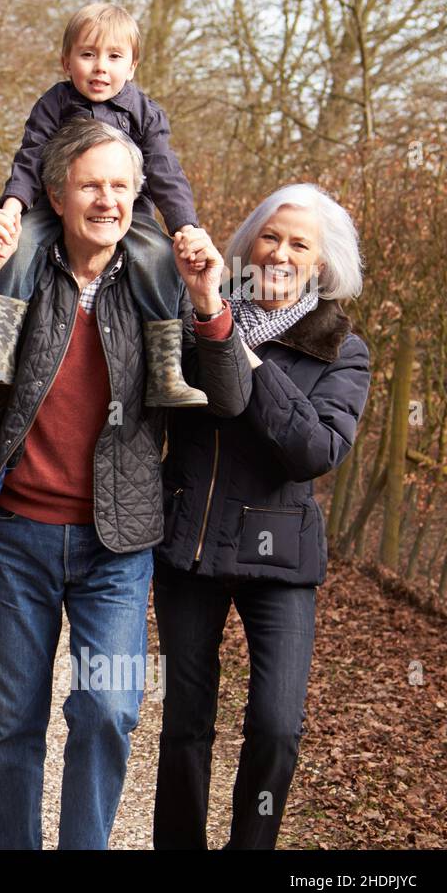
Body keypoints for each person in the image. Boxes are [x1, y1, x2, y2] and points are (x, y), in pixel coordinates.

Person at [0, 118, 252, 849]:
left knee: (108, 709)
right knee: (11, 726)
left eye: (122, 187)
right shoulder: (17, 267)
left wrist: (210, 301)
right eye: (91, 185)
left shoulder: (160, 281)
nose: (108, 201)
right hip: (18, 537)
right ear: (58, 194)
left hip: (117, 545)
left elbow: (228, 399)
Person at [151, 183, 371, 849]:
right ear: (247, 248)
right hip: (190, 542)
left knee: (277, 725)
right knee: (186, 720)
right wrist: (211, 324)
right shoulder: (196, 319)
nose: (280, 252)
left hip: (280, 554)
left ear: (322, 265)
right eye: (270, 238)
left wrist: (243, 352)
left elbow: (313, 450)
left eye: (299, 244)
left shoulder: (342, 349)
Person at [0, 2, 207, 410]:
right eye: (87, 55)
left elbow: (165, 172)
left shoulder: (146, 114)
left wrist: (185, 225)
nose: (99, 68)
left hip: (129, 212)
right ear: (66, 62)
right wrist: (13, 205)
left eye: (114, 57)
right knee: (18, 245)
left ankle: (167, 369)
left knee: (160, 255)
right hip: (52, 203)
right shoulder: (54, 104)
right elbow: (30, 157)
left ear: (132, 66)